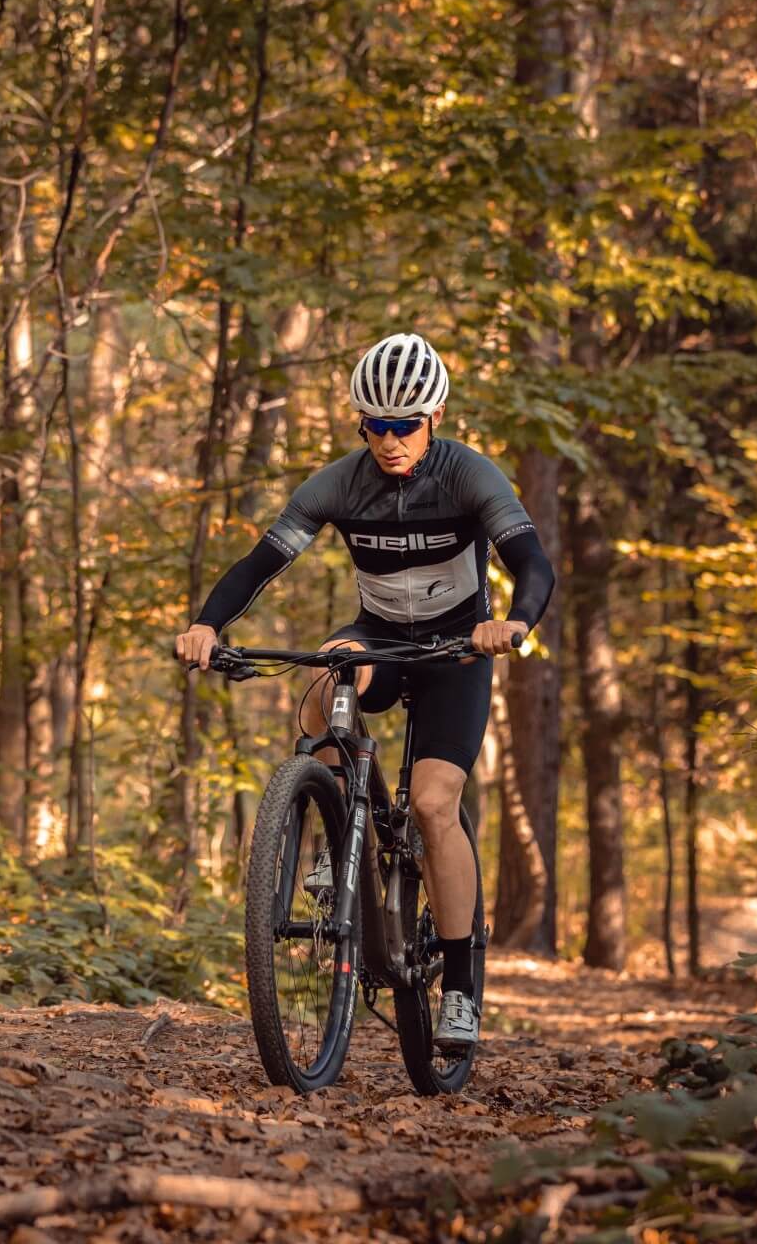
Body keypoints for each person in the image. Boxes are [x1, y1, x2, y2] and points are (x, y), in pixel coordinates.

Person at [174, 333, 555, 1052]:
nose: (388, 440)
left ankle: (463, 989)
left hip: (456, 649)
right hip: (379, 635)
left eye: (404, 425)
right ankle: (335, 828)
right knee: (326, 673)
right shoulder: (338, 484)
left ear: (434, 415)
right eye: (373, 426)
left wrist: (514, 622)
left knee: (437, 804)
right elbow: (261, 562)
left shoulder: (471, 477)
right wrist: (206, 623)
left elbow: (531, 560)